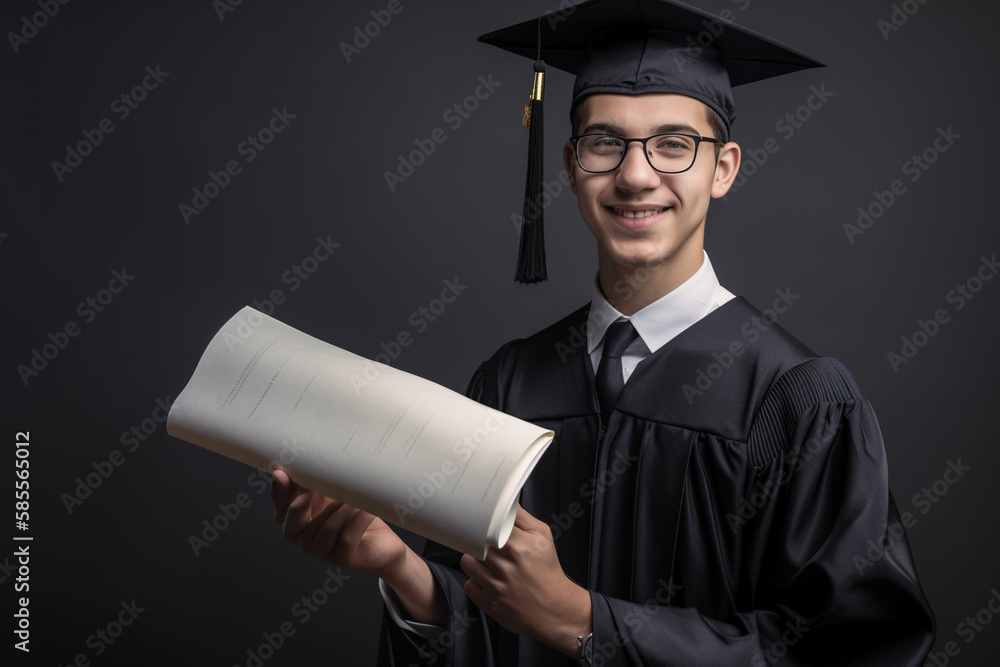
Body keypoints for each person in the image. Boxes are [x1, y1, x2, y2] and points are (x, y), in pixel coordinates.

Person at [271, 1, 936, 664]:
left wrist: (584, 621)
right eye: (605, 142)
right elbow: (480, 633)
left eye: (674, 144)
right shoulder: (509, 382)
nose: (636, 174)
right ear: (569, 163)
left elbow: (853, 651)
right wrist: (399, 567)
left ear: (724, 167)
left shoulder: (796, 400)